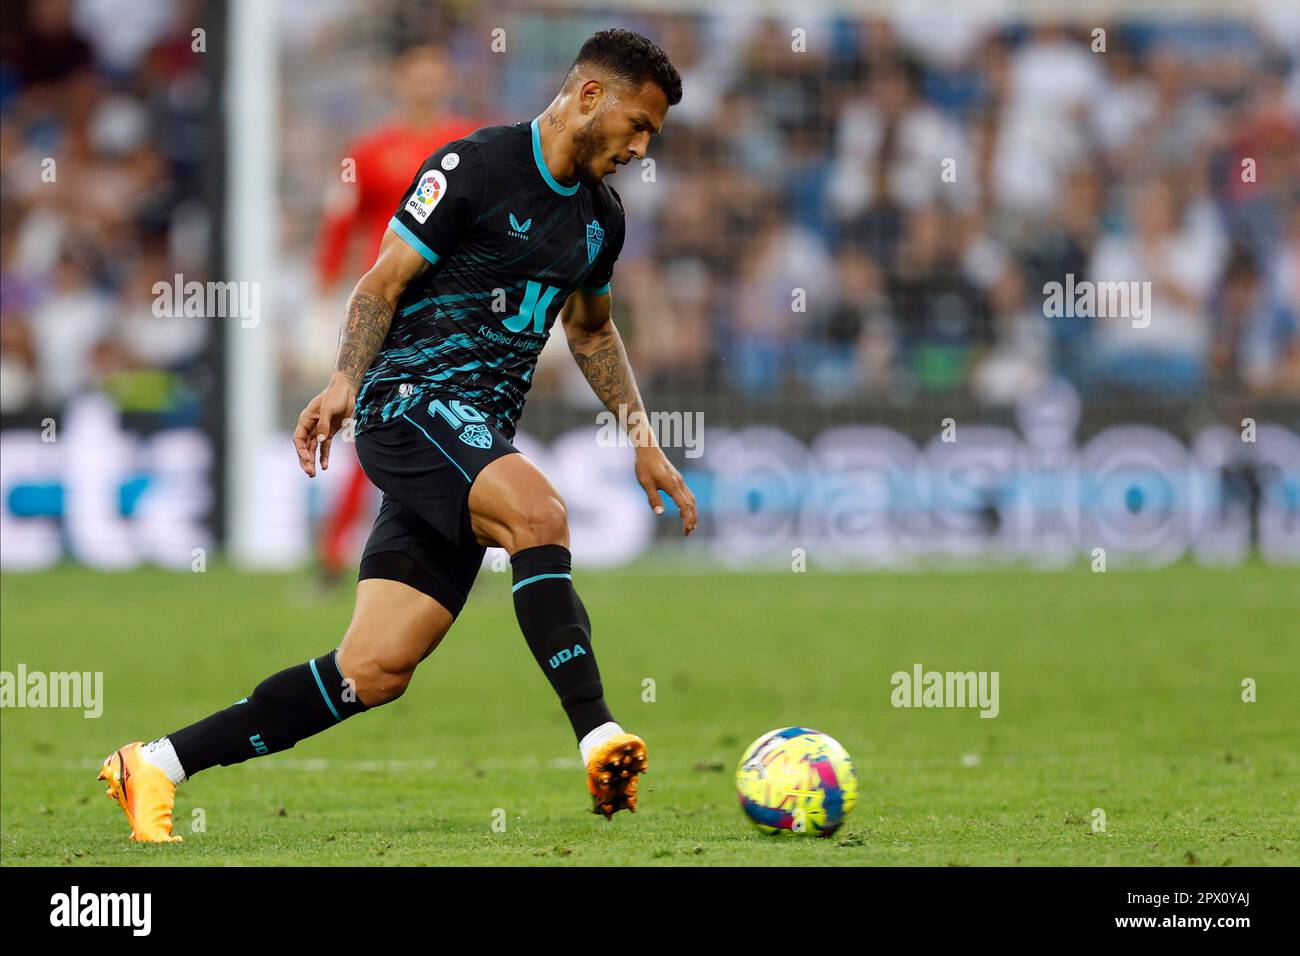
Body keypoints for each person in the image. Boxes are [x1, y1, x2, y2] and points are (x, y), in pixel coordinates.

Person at [97, 28, 695, 841]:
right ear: (590, 95)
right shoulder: (474, 168)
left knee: (373, 671)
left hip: (473, 438)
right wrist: (344, 379)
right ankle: (598, 733)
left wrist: (642, 436)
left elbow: (590, 333)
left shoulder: (600, 221)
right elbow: (382, 280)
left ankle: (155, 764)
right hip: (410, 405)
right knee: (540, 516)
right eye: (639, 124)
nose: (640, 146)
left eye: (651, 135)